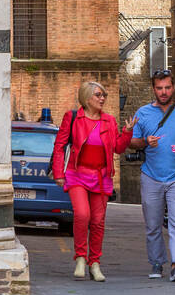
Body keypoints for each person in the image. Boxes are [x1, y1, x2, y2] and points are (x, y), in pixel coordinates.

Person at [52, 80, 134, 282]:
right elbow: (59, 146)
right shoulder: (72, 118)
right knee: (82, 214)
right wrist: (58, 174)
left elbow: (118, 148)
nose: (102, 98)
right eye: (98, 95)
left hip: (101, 176)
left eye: (103, 95)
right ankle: (80, 257)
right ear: (86, 98)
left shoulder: (109, 120)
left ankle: (94, 263)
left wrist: (128, 132)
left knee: (98, 221)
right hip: (77, 173)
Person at [130, 69, 175, 282]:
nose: (163, 92)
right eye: (159, 88)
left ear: (173, 88)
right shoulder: (142, 113)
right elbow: (132, 142)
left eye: (167, 87)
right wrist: (145, 142)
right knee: (152, 224)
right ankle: (156, 262)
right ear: (153, 89)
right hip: (151, 176)